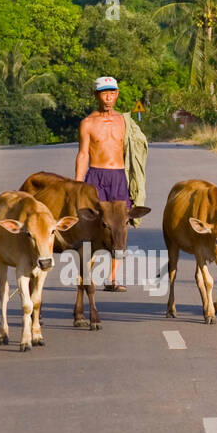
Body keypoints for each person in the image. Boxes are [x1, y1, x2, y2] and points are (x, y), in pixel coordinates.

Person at [74, 76, 148, 290]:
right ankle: (89, 275)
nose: (108, 97)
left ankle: (113, 278)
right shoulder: (87, 123)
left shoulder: (125, 122)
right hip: (96, 175)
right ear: (96, 95)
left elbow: (135, 152)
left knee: (120, 225)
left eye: (112, 93)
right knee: (93, 224)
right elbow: (82, 155)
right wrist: (77, 186)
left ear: (116, 94)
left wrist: (136, 182)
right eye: (104, 93)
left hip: (118, 176)